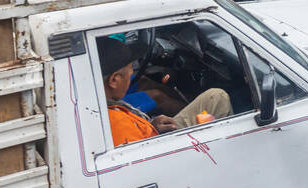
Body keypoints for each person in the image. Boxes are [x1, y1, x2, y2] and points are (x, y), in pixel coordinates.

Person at [96, 37, 232, 148]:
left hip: (154, 132)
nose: (132, 73)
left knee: (214, 97)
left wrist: (152, 125)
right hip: (167, 148)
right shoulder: (120, 125)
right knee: (218, 98)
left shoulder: (107, 107)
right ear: (114, 80)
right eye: (131, 68)